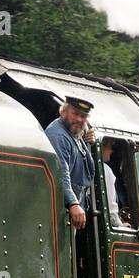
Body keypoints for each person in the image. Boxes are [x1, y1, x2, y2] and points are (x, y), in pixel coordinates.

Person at [45, 96, 96, 231]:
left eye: (83, 116)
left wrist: (88, 142)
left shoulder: (75, 132)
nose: (79, 119)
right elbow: (61, 173)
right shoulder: (58, 136)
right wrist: (73, 203)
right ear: (63, 112)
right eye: (75, 113)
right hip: (60, 212)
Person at [101, 138, 124, 227]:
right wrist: (121, 226)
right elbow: (110, 209)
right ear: (102, 146)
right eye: (109, 147)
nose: (111, 151)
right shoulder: (105, 170)